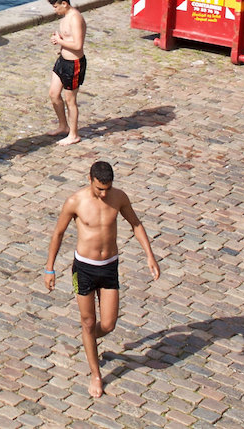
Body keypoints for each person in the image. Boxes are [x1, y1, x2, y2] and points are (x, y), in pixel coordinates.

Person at [43, 160, 160, 398]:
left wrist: (150, 255)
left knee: (107, 324)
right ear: (90, 180)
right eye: (99, 189)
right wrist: (49, 268)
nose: (104, 193)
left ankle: (89, 342)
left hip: (109, 267)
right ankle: (96, 374)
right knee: (88, 322)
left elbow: (136, 224)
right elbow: (59, 233)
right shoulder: (75, 201)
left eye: (107, 188)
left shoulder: (119, 198)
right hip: (83, 269)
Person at [47, 0, 87, 146]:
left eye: (56, 7)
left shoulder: (75, 18)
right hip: (62, 61)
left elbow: (78, 45)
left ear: (64, 3)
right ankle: (63, 126)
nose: (55, 10)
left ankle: (74, 134)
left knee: (70, 100)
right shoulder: (65, 17)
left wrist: (60, 41)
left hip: (74, 63)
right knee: (53, 94)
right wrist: (59, 40)